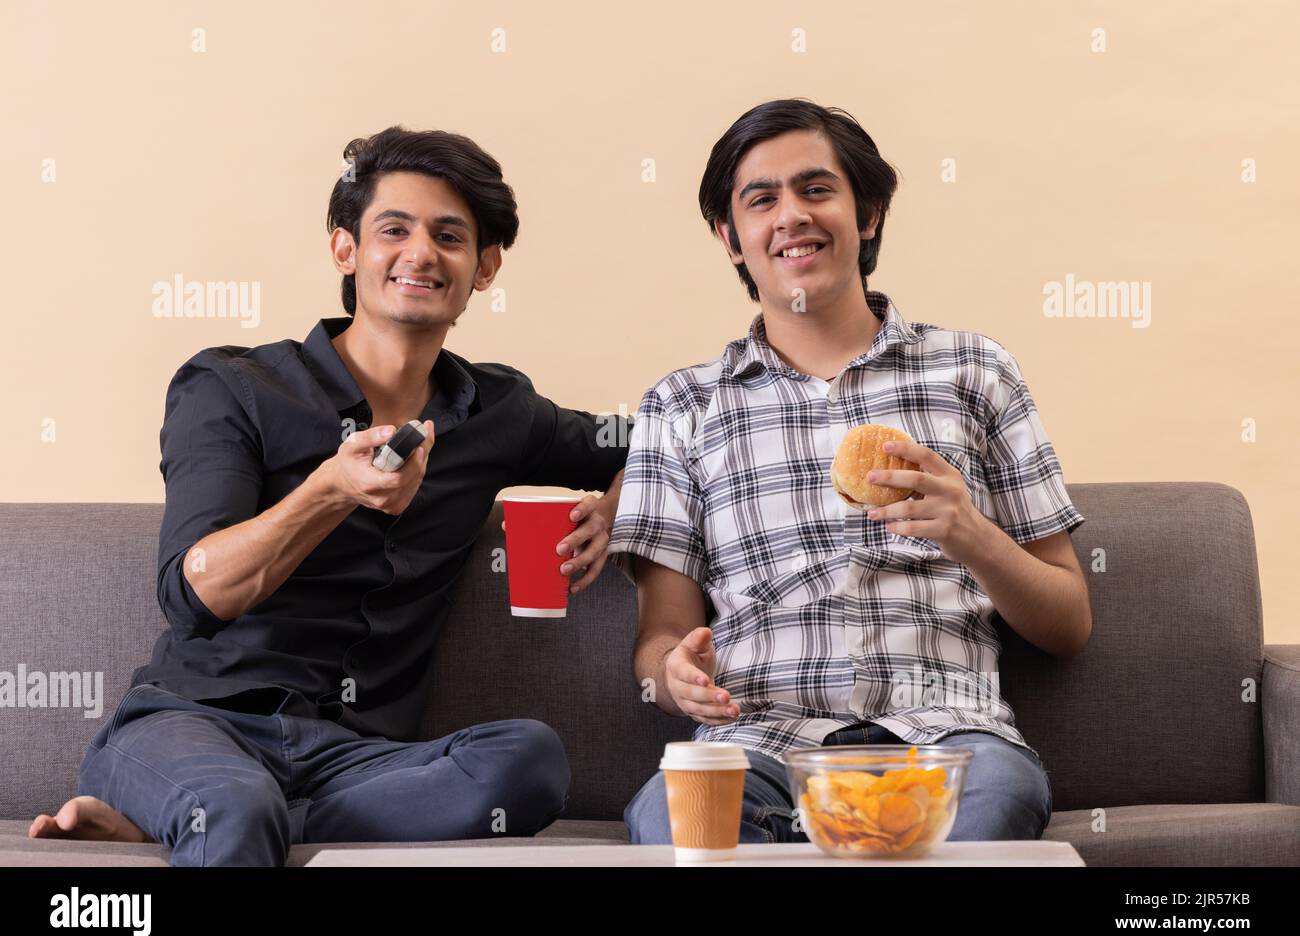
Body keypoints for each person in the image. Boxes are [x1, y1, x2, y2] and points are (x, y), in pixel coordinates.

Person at [29, 126, 630, 865]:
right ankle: (202, 807)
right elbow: (195, 592)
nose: (420, 253)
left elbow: (664, 435)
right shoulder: (236, 387)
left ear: (485, 266)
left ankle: (192, 821)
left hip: (357, 755)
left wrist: (616, 501)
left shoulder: (498, 412)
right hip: (195, 724)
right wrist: (331, 489)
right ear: (346, 249)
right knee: (234, 801)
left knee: (528, 761)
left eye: (450, 235)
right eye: (394, 229)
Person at [608, 99, 1091, 845]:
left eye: (816, 189)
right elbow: (661, 633)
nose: (791, 215)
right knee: (670, 819)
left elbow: (1068, 621)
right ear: (730, 237)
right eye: (760, 199)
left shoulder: (976, 372)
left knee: (999, 797)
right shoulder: (681, 406)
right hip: (761, 741)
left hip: (945, 737)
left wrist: (970, 535)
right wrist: (674, 675)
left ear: (867, 213)